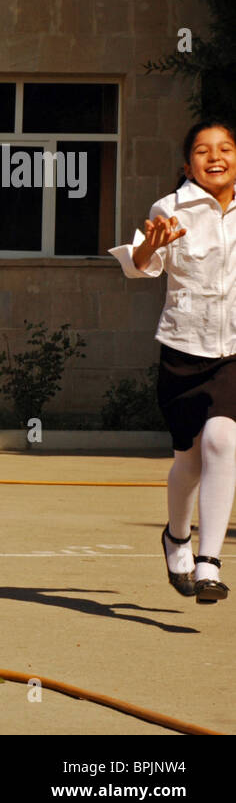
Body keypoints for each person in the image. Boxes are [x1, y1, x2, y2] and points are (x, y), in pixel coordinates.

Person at [109, 119, 236, 604]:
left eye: (225, 148)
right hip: (184, 350)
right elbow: (143, 268)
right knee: (188, 458)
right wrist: (148, 246)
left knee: (224, 440)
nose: (215, 156)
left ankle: (209, 563)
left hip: (233, 353)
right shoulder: (170, 208)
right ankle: (176, 537)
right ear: (189, 164)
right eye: (203, 150)